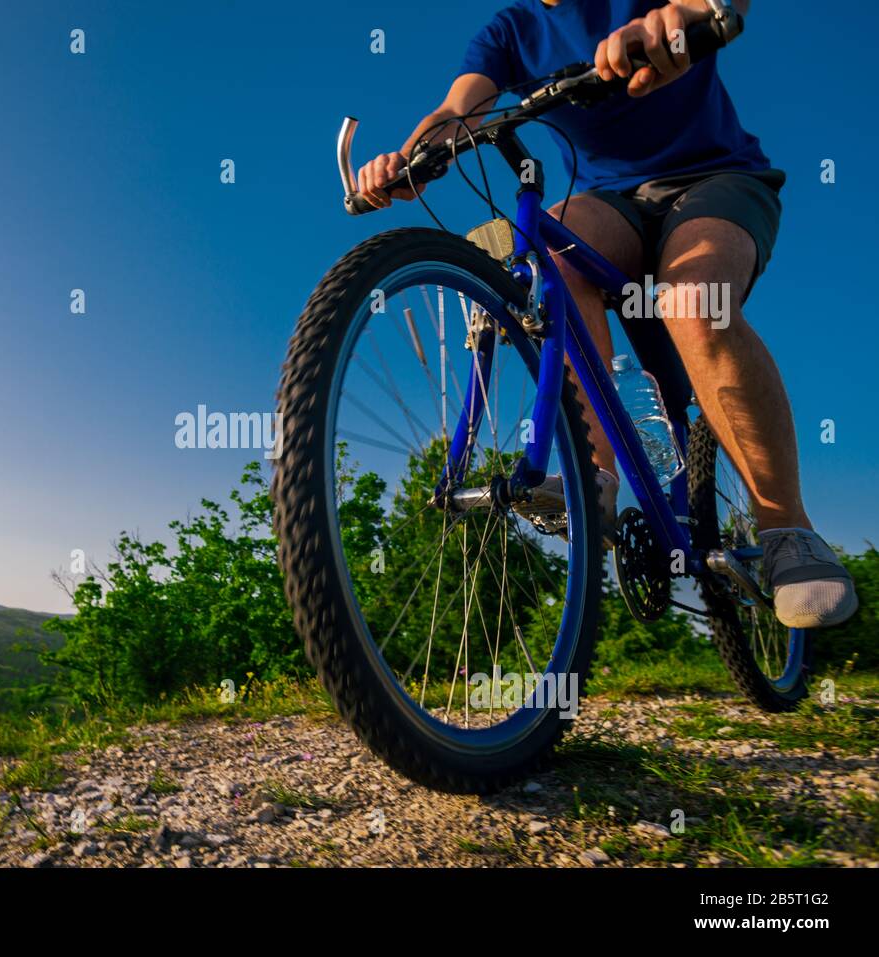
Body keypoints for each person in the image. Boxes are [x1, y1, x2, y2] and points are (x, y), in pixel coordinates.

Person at [356, 0, 856, 629]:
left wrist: (686, 16)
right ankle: (596, 475)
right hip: (609, 201)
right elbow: (460, 110)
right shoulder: (512, 31)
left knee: (693, 303)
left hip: (715, 180)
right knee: (549, 257)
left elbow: (714, 3)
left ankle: (786, 526)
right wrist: (411, 158)